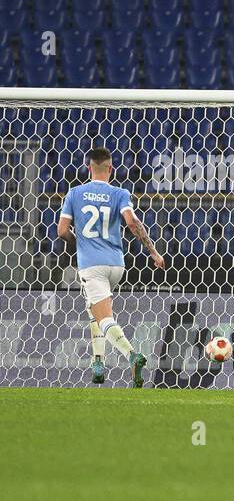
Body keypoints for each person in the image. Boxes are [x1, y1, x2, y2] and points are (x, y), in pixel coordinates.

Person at [55, 146, 165, 388]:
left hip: (91, 266)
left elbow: (62, 231)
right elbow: (132, 222)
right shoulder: (120, 193)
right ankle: (98, 363)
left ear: (88, 168)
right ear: (111, 169)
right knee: (94, 309)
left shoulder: (74, 193)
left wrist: (80, 243)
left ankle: (132, 356)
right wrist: (153, 251)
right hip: (116, 264)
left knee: (104, 318)